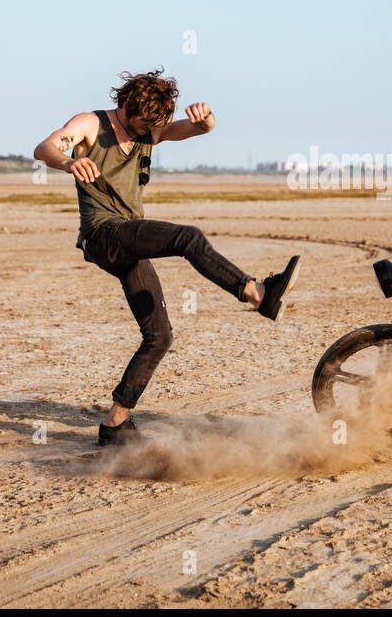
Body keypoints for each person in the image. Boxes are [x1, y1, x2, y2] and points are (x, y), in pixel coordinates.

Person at [33, 69, 300, 446]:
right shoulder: (91, 124)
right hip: (103, 234)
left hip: (128, 240)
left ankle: (115, 425)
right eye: (142, 121)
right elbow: (43, 148)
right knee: (187, 237)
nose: (147, 130)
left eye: (153, 123)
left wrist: (205, 119)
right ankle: (254, 291)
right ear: (125, 104)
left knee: (159, 336)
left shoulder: (152, 129)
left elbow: (200, 129)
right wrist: (67, 162)